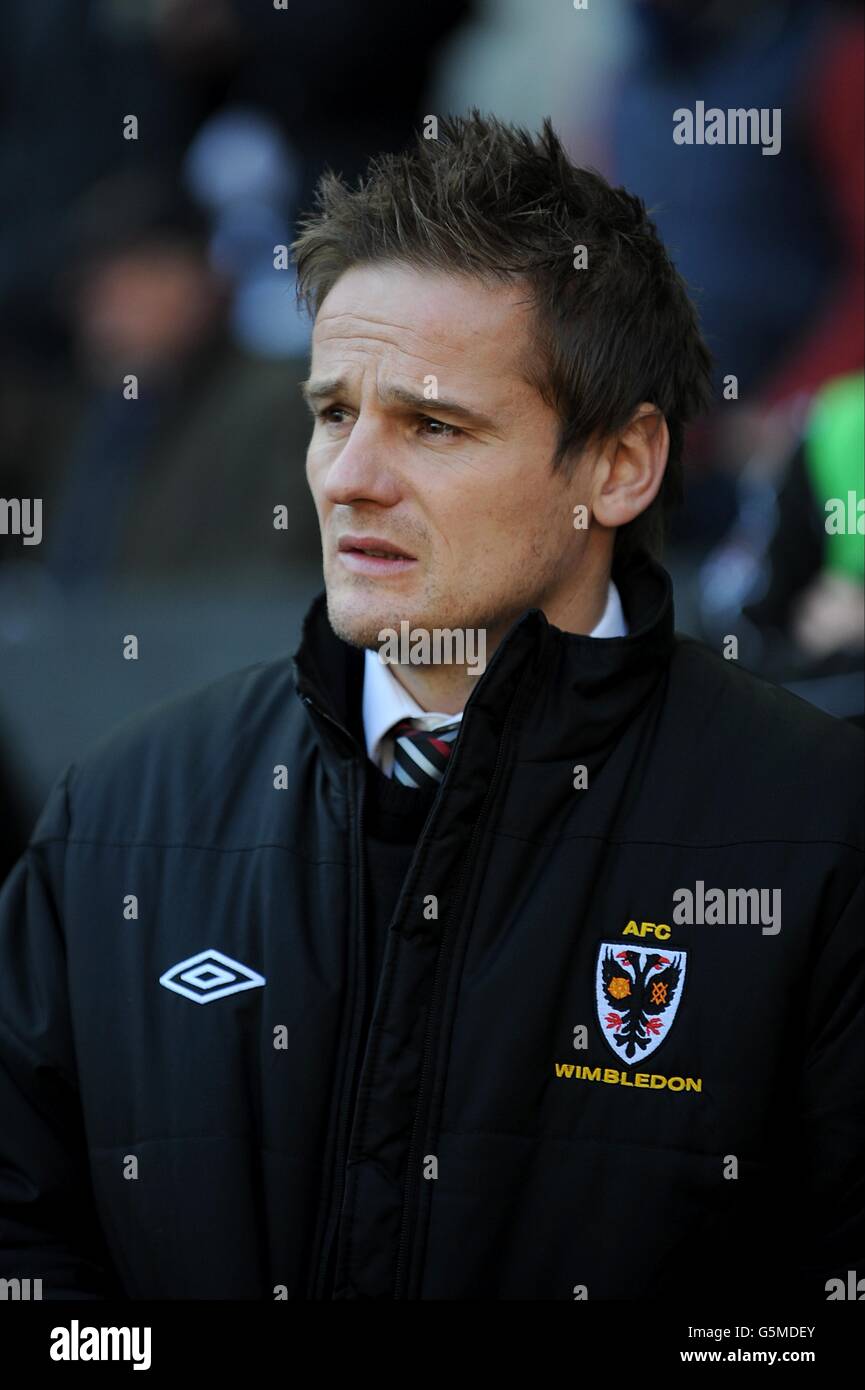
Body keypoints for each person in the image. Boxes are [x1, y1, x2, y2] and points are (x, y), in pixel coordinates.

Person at [0, 113, 861, 1301]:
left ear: (620, 465)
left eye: (432, 424)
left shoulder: (818, 826)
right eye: (334, 412)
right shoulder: (124, 815)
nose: (351, 476)